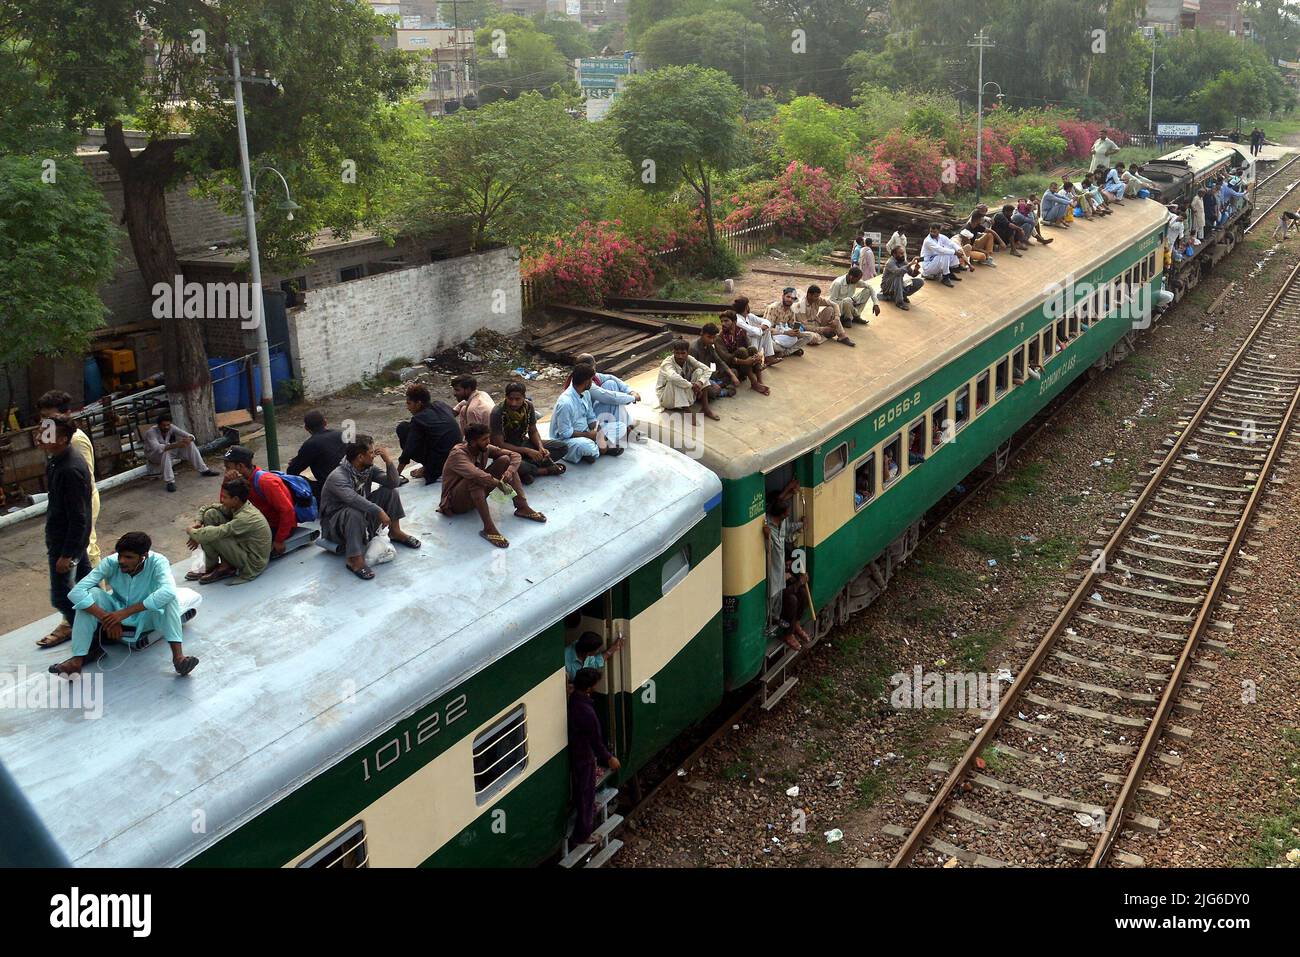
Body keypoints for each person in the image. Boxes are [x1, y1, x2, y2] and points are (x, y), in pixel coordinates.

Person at [50, 531, 196, 677]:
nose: (122, 561)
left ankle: (179, 659)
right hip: (115, 615)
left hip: (147, 617)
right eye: (120, 555)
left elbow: (168, 591)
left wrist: (123, 614)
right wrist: (108, 619)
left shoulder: (158, 561)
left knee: (168, 599)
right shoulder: (110, 562)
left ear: (143, 556)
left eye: (128, 557)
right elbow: (75, 592)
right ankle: (76, 661)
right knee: (92, 595)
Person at [320, 434, 421, 580]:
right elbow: (353, 499)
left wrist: (388, 461)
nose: (374, 455)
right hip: (336, 526)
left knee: (390, 492)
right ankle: (354, 559)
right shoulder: (338, 477)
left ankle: (395, 532)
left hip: (360, 516)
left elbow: (393, 483)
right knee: (353, 511)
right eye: (371, 452)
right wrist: (378, 511)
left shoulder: (367, 469)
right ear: (360, 457)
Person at [35, 415, 92, 651]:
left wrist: (67, 554)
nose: (40, 438)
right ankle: (101, 626)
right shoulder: (56, 461)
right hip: (64, 537)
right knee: (87, 585)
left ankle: (90, 637)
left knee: (61, 596)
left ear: (63, 439)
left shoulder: (69, 468)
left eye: (46, 434)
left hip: (67, 542)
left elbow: (79, 518)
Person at [439, 422, 546, 548]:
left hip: (475, 494)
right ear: (472, 442)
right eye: (484, 439)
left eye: (488, 438)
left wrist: (510, 471)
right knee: (475, 478)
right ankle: (489, 529)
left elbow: (514, 455)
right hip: (455, 503)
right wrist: (499, 484)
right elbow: (477, 475)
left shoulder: (484, 448)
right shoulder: (458, 454)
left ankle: (522, 507)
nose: (488, 441)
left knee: (505, 460)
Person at [36, 390, 100, 568]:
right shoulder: (52, 438)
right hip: (68, 500)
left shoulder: (75, 440)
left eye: (49, 418)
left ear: (67, 414)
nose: (45, 423)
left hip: (80, 499)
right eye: (43, 418)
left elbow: (83, 478)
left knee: (86, 549)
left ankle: (95, 592)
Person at [185, 477, 273, 584]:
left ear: (235, 499)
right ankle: (213, 566)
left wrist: (191, 532)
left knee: (215, 535)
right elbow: (207, 507)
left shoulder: (246, 517)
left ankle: (224, 567)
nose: (222, 500)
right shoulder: (239, 505)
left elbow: (217, 532)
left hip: (252, 563)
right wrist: (198, 523)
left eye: (225, 497)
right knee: (211, 514)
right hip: (243, 547)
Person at [567, 666, 620, 844]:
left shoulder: (573, 699)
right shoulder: (587, 712)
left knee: (581, 792)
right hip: (584, 756)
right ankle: (582, 835)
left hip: (575, 753)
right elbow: (596, 741)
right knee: (586, 795)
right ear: (589, 688)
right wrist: (609, 758)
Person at [221, 445, 297, 558]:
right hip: (256, 521)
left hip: (274, 526)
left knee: (227, 539)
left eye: (228, 467)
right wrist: (226, 482)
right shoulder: (239, 480)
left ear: (240, 466)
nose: (226, 471)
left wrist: (279, 540)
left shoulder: (266, 482)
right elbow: (225, 504)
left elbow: (287, 511)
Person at [490, 382, 568, 484]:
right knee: (511, 463)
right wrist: (527, 451)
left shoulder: (528, 406)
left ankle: (528, 471)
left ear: (524, 397)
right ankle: (543, 471)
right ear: (506, 397)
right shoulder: (497, 412)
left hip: (524, 443)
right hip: (506, 451)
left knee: (562, 447)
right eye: (510, 399)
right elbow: (499, 444)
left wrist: (540, 447)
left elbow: (533, 431)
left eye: (517, 399)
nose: (513, 403)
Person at [551, 365, 623, 463]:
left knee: (620, 426)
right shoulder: (565, 403)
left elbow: (591, 417)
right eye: (591, 380)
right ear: (586, 382)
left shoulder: (586, 393)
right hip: (567, 439)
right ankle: (600, 449)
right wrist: (590, 435)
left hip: (587, 432)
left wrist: (599, 432)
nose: (592, 382)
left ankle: (594, 450)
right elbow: (565, 433)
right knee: (586, 446)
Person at [763, 480, 803, 650]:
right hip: (773, 572)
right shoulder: (768, 526)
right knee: (786, 597)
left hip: (781, 569)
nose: (788, 514)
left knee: (797, 593)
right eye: (786, 513)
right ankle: (780, 626)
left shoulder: (781, 523)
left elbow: (787, 533)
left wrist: (802, 525)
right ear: (781, 515)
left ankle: (794, 627)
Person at [395, 383, 461, 484]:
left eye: (409, 403)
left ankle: (428, 469)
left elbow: (408, 450)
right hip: (457, 455)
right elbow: (453, 413)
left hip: (438, 466)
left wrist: (395, 476)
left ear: (419, 403)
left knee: (403, 428)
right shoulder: (440, 404)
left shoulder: (418, 419)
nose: (407, 407)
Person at [142, 412, 220, 492]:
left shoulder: (171, 427)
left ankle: (204, 470)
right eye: (163, 425)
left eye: (168, 425)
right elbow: (157, 448)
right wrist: (177, 444)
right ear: (158, 425)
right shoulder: (151, 432)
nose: (166, 427)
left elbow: (190, 435)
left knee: (190, 444)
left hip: (167, 451)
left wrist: (188, 439)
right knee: (166, 452)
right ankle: (170, 482)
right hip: (153, 456)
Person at [574, 353, 639, 441]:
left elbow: (610, 377)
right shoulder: (586, 384)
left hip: (592, 414)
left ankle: (623, 427)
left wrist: (630, 391)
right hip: (585, 421)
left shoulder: (586, 377)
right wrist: (632, 398)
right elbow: (609, 397)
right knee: (612, 399)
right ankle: (623, 430)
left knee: (610, 383)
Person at [286, 410, 347, 503]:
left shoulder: (310, 444)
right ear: (325, 422)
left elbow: (292, 471)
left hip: (329, 489)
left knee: (291, 481)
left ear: (306, 428)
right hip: (349, 482)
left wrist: (296, 462)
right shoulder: (341, 434)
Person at [657, 339, 720, 419]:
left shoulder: (689, 359)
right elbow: (673, 378)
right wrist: (692, 386)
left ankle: (706, 408)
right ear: (673, 352)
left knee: (699, 372)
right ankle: (688, 413)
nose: (680, 356)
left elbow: (707, 369)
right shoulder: (667, 363)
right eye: (677, 353)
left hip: (685, 393)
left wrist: (700, 382)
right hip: (666, 397)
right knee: (674, 380)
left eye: (683, 353)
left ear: (687, 353)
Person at [717, 313, 770, 394]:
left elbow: (749, 345)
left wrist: (757, 356)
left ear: (734, 322)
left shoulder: (741, 331)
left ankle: (759, 380)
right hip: (731, 364)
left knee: (752, 349)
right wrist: (745, 362)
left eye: (726, 321)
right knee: (742, 350)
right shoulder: (719, 337)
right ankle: (754, 383)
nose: (723, 324)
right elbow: (726, 358)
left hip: (743, 361)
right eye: (722, 321)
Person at [690, 324, 742, 398]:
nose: (711, 340)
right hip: (700, 379)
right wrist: (711, 383)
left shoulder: (709, 346)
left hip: (710, 376)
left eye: (713, 337)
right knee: (711, 392)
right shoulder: (694, 349)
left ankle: (719, 386)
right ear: (702, 333)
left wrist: (732, 375)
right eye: (709, 337)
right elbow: (693, 373)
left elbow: (719, 361)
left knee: (733, 372)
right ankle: (724, 391)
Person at [761, 289, 818, 353]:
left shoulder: (792, 309)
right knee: (772, 345)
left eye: (792, 298)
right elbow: (767, 330)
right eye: (788, 297)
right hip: (771, 337)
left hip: (784, 336)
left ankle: (786, 351)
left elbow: (791, 325)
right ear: (783, 296)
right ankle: (790, 351)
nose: (790, 300)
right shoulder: (773, 308)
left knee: (809, 336)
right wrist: (785, 332)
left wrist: (796, 331)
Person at [730, 297, 781, 362]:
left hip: (752, 342)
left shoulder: (749, 316)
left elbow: (767, 322)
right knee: (754, 335)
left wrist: (763, 326)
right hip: (743, 346)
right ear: (746, 307)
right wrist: (761, 328)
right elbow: (753, 331)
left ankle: (768, 357)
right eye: (748, 305)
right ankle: (755, 360)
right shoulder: (738, 320)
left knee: (766, 331)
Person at [920, 221, 968, 287]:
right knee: (945, 253)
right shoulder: (928, 241)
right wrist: (955, 252)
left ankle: (950, 272)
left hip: (935, 261)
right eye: (931, 231)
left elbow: (951, 243)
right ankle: (945, 277)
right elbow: (941, 250)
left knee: (952, 249)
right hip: (928, 265)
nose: (932, 233)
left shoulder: (942, 237)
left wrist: (958, 249)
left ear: (939, 231)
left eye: (934, 232)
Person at [880, 245, 924, 310]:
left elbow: (912, 274)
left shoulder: (903, 261)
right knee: (898, 275)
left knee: (919, 282)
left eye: (903, 253)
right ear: (894, 254)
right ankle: (899, 302)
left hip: (898, 284)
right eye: (900, 253)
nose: (903, 255)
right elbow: (897, 272)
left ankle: (902, 295)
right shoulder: (890, 262)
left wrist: (916, 270)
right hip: (887, 287)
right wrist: (910, 264)